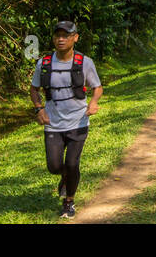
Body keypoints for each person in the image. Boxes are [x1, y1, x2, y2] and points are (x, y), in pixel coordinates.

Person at [30, 21, 102, 219]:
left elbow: (97, 87)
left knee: (72, 163)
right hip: (53, 122)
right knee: (54, 166)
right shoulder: (44, 63)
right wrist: (39, 109)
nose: (60, 39)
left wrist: (93, 103)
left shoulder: (84, 62)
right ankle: (64, 179)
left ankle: (68, 201)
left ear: (75, 38)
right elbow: (34, 89)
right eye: (57, 36)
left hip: (78, 121)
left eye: (65, 35)